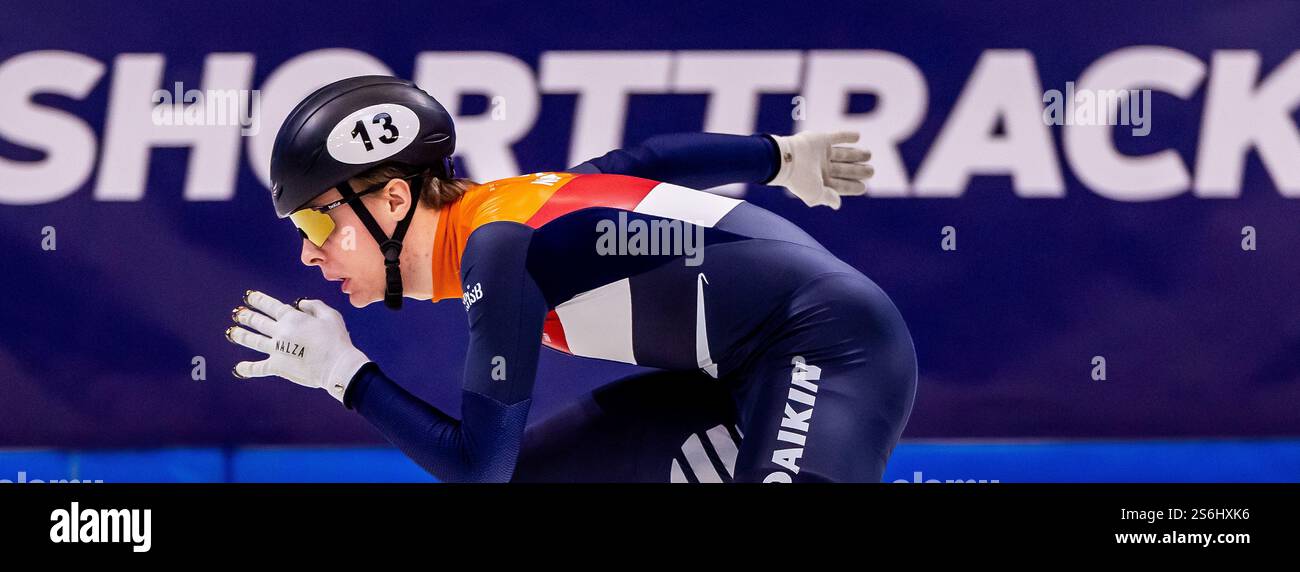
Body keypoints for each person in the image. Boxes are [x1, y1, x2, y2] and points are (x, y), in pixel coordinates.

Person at [226, 75, 917, 482]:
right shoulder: (506, 209)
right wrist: (777, 157)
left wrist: (345, 375)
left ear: (395, 200)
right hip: (733, 374)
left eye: (315, 222)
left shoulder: (500, 247)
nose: (308, 253)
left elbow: (478, 466)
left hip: (830, 348)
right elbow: (641, 164)